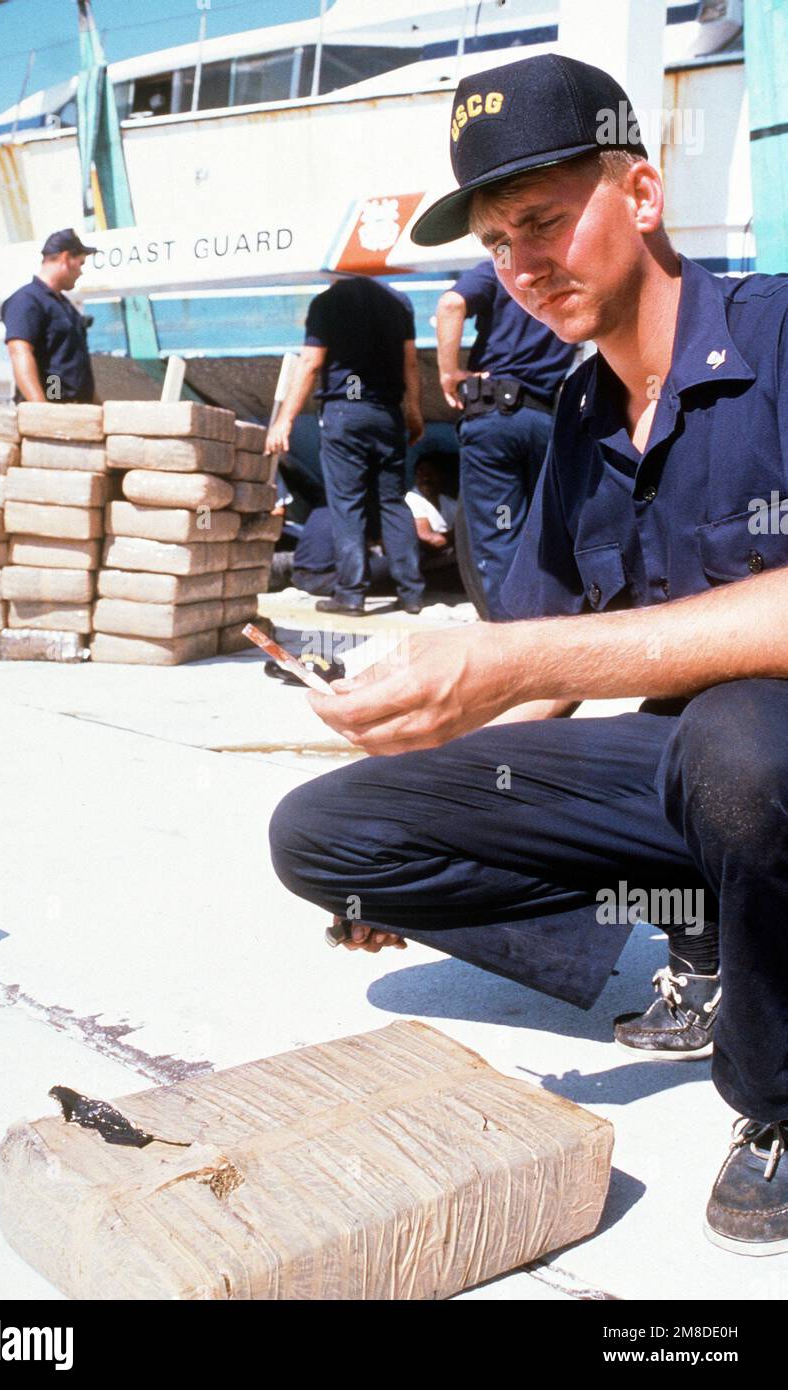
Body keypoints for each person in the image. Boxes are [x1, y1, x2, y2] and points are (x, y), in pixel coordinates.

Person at [269, 53, 788, 1255]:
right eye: (498, 242)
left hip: (764, 763)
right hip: (680, 796)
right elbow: (547, 669)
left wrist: (508, 661)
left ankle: (772, 1097)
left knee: (738, 743)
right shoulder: (575, 415)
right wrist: (432, 776)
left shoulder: (777, 337)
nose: (520, 265)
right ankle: (704, 932)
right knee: (325, 833)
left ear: (642, 196)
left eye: (544, 221)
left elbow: (545, 654)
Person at [264, 275, 425, 616]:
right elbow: (410, 362)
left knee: (347, 504)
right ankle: (412, 593)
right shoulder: (400, 302)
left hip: (345, 411)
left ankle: (351, 594)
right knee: (392, 502)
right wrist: (413, 411)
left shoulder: (327, 301)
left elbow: (310, 362)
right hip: (387, 413)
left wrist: (285, 420)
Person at [437, 261, 576, 618]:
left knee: (499, 531)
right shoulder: (563, 275)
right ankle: (546, 626)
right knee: (540, 531)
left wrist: (448, 371)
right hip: (544, 418)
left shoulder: (500, 270)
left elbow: (451, 304)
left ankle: (508, 639)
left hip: (494, 422)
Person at [1, 228, 98, 404]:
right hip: (54, 405)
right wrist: (43, 411)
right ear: (66, 258)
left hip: (79, 412)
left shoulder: (65, 306)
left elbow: (74, 365)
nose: (81, 272)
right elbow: (19, 352)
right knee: (55, 390)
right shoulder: (27, 300)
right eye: (81, 264)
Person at [405, 454, 458, 577]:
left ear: (441, 476)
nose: (425, 478)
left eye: (430, 473)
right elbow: (429, 540)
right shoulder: (412, 498)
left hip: (445, 558)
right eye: (421, 473)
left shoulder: (449, 502)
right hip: (421, 561)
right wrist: (456, 536)